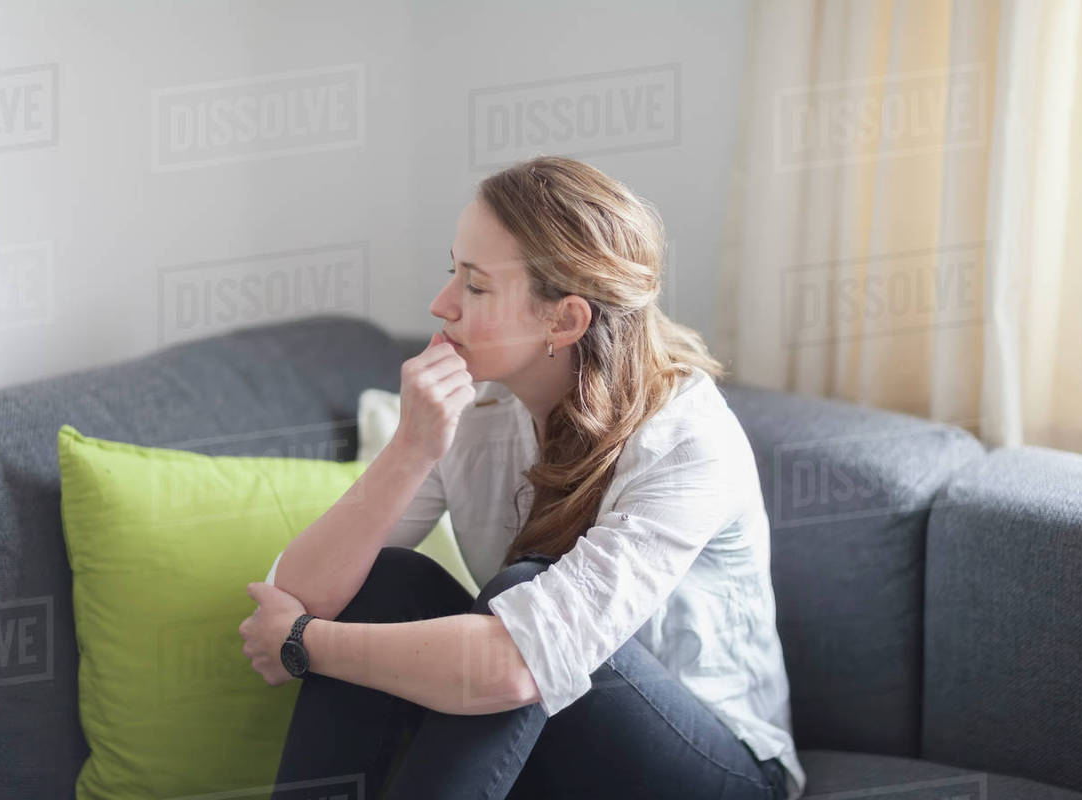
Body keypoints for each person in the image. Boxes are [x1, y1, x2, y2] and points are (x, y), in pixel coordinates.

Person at [240, 155, 804, 800]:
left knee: (524, 596)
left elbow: (512, 667)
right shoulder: (477, 409)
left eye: (476, 287)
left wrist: (304, 646)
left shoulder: (686, 442)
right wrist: (411, 447)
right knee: (390, 578)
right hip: (546, 740)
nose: (440, 304)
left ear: (563, 320)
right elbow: (301, 595)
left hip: (720, 771)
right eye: (452, 272)